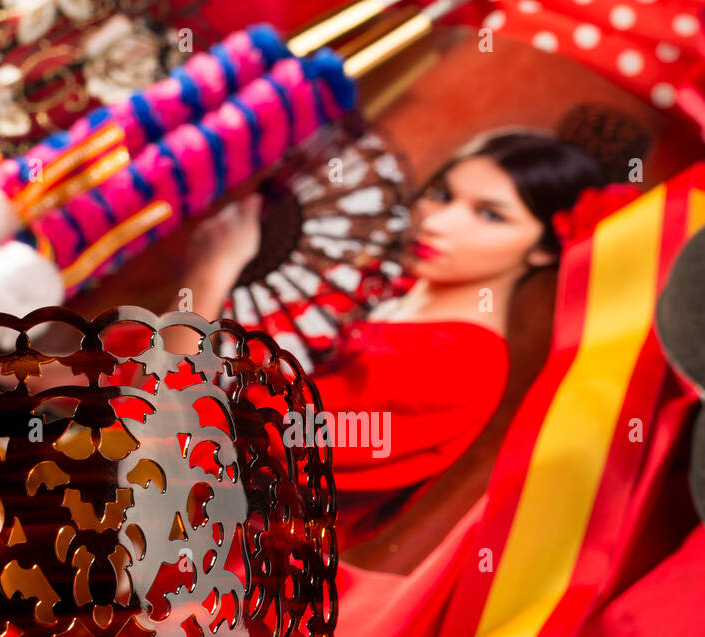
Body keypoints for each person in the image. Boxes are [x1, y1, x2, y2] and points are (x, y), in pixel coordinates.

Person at [179, 129, 611, 541]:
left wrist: (210, 274)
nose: (439, 222)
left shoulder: (461, 371)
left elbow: (222, 440)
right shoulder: (373, 281)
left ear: (544, 248)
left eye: (490, 214)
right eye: (442, 195)